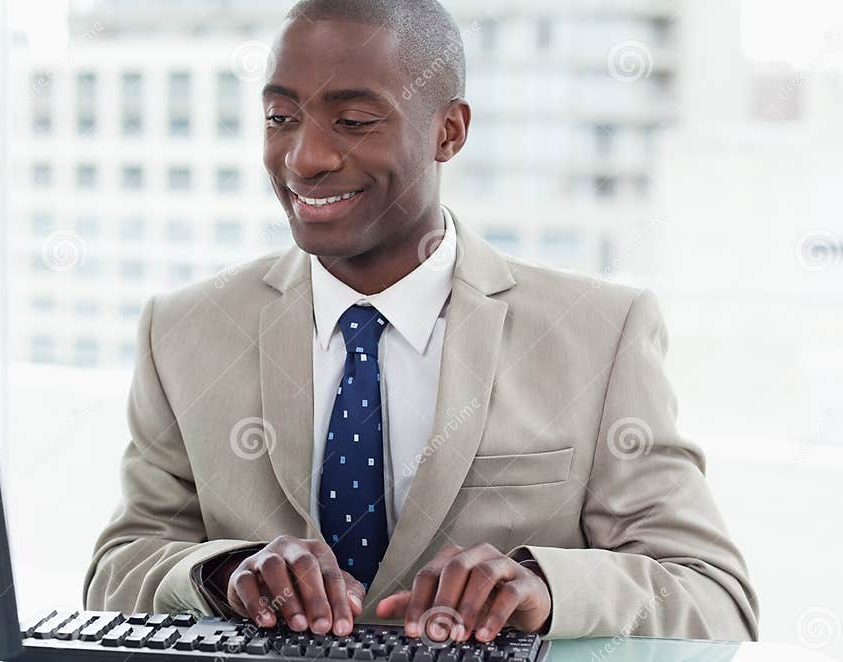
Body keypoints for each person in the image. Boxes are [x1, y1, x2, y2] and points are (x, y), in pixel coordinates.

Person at [84, 0, 759, 643]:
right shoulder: (182, 333)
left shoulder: (600, 333)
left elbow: (714, 597)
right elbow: (117, 570)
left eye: (352, 121)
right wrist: (220, 572)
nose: (304, 158)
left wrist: (546, 588)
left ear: (449, 131)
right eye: (281, 117)